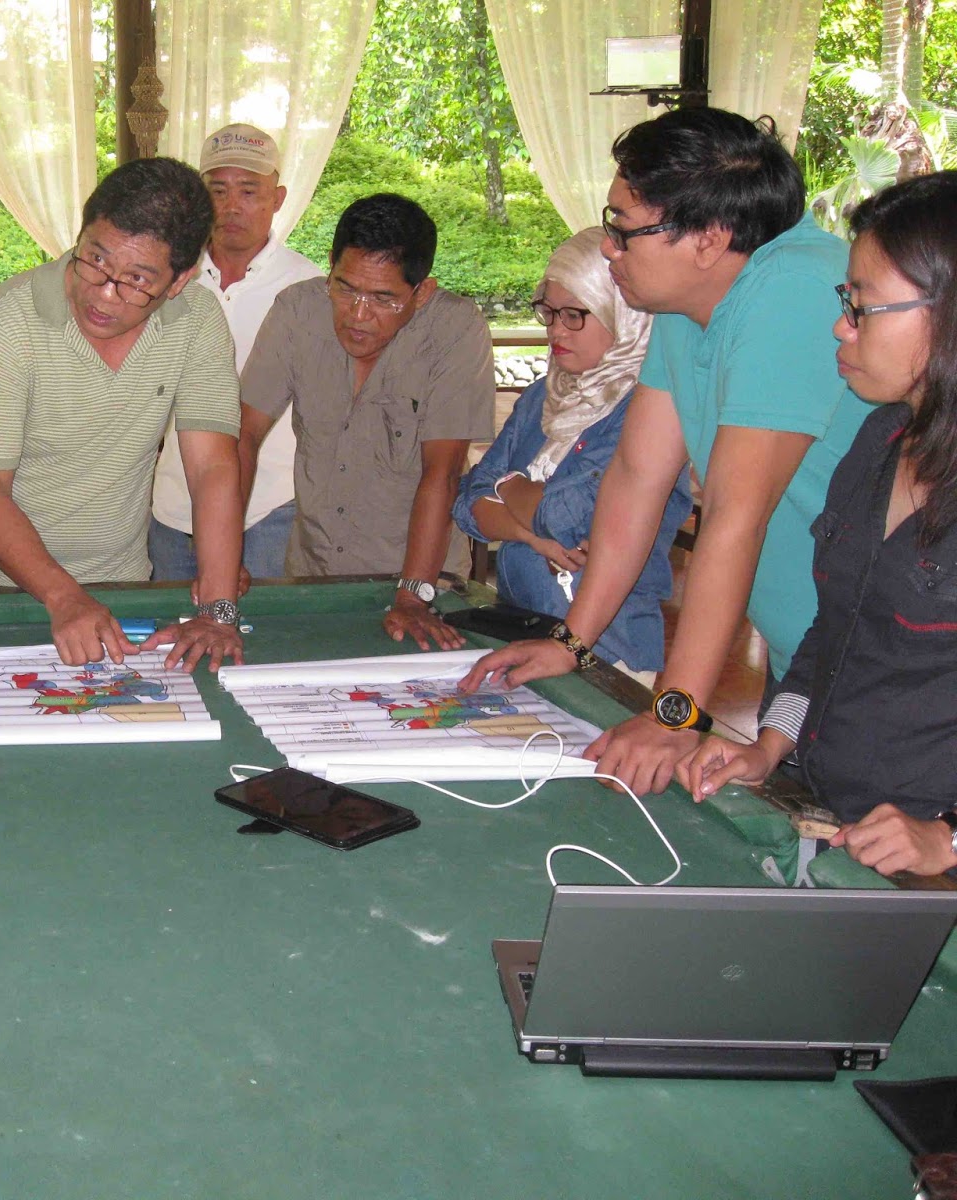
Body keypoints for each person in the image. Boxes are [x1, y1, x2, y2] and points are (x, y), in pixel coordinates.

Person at [460, 108, 872, 795]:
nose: (609, 249)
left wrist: (675, 714)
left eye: (623, 229)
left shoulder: (793, 288)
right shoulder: (687, 297)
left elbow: (735, 517)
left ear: (708, 238)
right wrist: (572, 642)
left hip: (889, 662)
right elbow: (635, 476)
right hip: (809, 656)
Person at [680, 172, 957, 879]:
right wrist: (770, 746)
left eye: (862, 307)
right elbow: (833, 633)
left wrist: (947, 839)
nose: (841, 326)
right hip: (836, 826)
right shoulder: (879, 441)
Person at [0, 157, 245, 672]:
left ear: (180, 280)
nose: (104, 293)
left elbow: (213, 468)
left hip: (117, 585)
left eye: (137, 280)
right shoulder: (7, 323)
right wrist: (64, 597)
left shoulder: (198, 321)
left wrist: (217, 610)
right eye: (95, 259)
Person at [237, 192, 494, 650]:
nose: (357, 315)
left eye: (383, 299)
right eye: (345, 288)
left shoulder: (455, 330)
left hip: (421, 584)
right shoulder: (297, 311)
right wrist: (224, 558)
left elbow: (443, 472)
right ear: (331, 266)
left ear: (422, 292)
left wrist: (412, 595)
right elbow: (242, 436)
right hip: (314, 576)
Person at [453, 228, 693, 676]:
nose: (556, 330)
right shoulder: (540, 397)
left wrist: (508, 484)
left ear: (622, 314)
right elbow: (468, 502)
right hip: (523, 630)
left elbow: (568, 516)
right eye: (548, 312)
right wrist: (530, 536)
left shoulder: (648, 408)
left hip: (609, 648)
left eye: (574, 315)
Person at [148, 124, 324, 583]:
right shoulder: (166, 279)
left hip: (270, 512)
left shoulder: (310, 290)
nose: (231, 207)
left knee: (259, 627)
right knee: (170, 626)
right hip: (175, 506)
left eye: (248, 191)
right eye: (218, 191)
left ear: (278, 198)